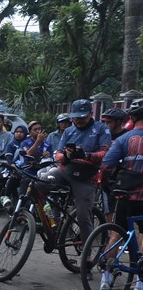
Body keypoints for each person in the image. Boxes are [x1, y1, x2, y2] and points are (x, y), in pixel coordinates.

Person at [48, 98, 111, 242]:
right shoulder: (69, 131)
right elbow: (57, 153)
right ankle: (44, 222)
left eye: (83, 117)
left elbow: (105, 153)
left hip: (87, 176)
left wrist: (87, 155)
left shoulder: (101, 129)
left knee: (83, 216)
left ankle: (87, 255)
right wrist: (65, 156)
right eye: (76, 117)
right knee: (38, 184)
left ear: (91, 113)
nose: (79, 120)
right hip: (66, 169)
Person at [98, 98, 143, 290]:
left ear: (132, 118)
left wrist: (109, 186)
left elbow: (106, 164)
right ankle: (140, 285)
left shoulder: (124, 139)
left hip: (123, 193)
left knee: (116, 233)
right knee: (142, 234)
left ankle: (106, 278)